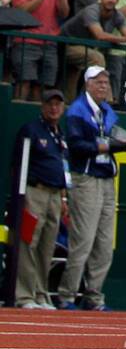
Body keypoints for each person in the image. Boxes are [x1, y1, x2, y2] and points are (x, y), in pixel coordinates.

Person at [56, 66, 126, 311]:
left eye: (106, 82)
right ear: (88, 84)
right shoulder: (77, 111)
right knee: (83, 240)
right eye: (99, 82)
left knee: (104, 242)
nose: (104, 86)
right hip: (86, 177)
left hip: (106, 178)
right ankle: (66, 295)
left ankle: (94, 295)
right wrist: (107, 146)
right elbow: (77, 145)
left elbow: (117, 139)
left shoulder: (107, 111)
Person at [10, 89, 69, 308]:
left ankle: (41, 294)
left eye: (58, 104)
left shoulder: (59, 133)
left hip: (55, 195)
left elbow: (62, 167)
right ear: (42, 106)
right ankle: (24, 295)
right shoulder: (31, 130)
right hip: (35, 192)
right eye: (50, 104)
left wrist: (64, 198)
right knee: (28, 243)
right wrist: (21, 196)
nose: (54, 108)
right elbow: (17, 165)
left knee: (47, 246)